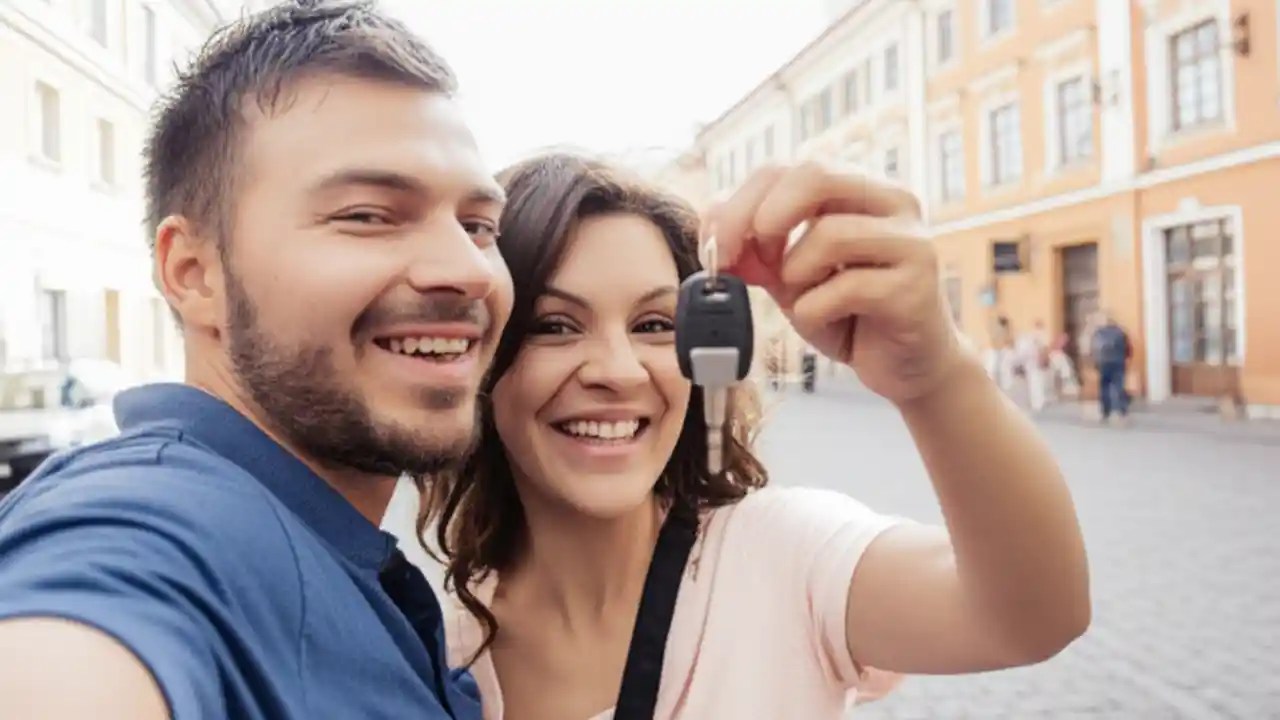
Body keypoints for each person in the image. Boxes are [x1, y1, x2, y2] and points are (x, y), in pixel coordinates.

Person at [423, 154, 1091, 719]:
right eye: (555, 326)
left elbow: (1029, 618)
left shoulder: (780, 556)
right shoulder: (441, 647)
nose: (618, 372)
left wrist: (936, 375)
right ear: (482, 355)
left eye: (655, 324)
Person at [0, 2, 507, 718]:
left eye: (479, 225)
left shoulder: (340, 544)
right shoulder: (153, 527)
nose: (470, 269)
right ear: (194, 273)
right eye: (367, 214)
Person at [1090, 310, 1132, 424]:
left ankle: (1105, 412)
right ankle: (1122, 411)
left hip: (1103, 363)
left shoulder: (1098, 333)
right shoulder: (1120, 332)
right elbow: (1128, 348)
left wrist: (1095, 362)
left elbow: (1094, 349)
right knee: (1119, 386)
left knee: (1104, 388)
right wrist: (1126, 358)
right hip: (1118, 362)